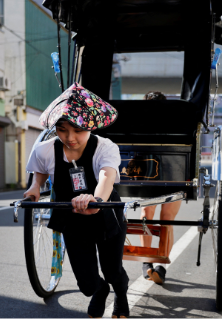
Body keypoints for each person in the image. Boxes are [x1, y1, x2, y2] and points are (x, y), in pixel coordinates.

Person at [22, 85, 128, 317]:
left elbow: (107, 177)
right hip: (71, 219)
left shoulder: (105, 147)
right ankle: (100, 291)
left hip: (106, 215)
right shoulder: (44, 149)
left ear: (90, 126)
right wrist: (34, 188)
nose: (70, 138)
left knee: (112, 271)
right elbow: (38, 173)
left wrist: (96, 199)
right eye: (62, 130)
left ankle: (121, 295)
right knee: (87, 284)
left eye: (77, 130)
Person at [138, 91, 181, 285]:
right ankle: (156, 265)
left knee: (149, 215)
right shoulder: (176, 120)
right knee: (166, 219)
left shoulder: (140, 122)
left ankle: (150, 262)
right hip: (175, 170)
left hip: (150, 171)